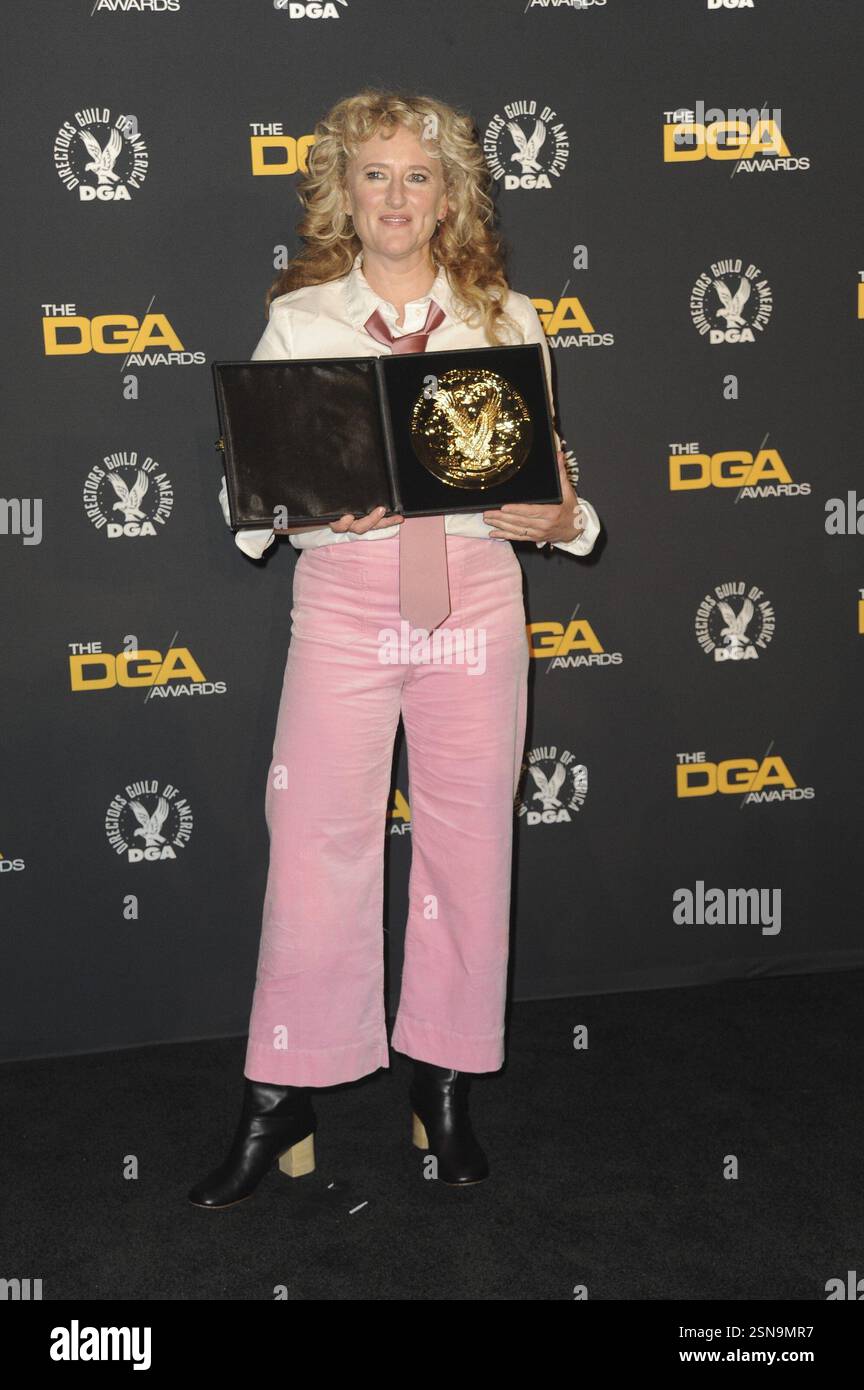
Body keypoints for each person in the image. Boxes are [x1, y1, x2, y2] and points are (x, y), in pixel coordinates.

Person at [188, 88, 600, 1210]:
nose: (397, 196)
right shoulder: (303, 320)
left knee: (468, 849)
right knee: (315, 842)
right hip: (347, 601)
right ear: (342, 191)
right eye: (376, 173)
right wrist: (308, 509)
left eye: (420, 174)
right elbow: (255, 502)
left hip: (478, 599)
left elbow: (562, 493)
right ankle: (283, 1095)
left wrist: (561, 523)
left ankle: (445, 1077)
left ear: (451, 194)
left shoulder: (509, 319)